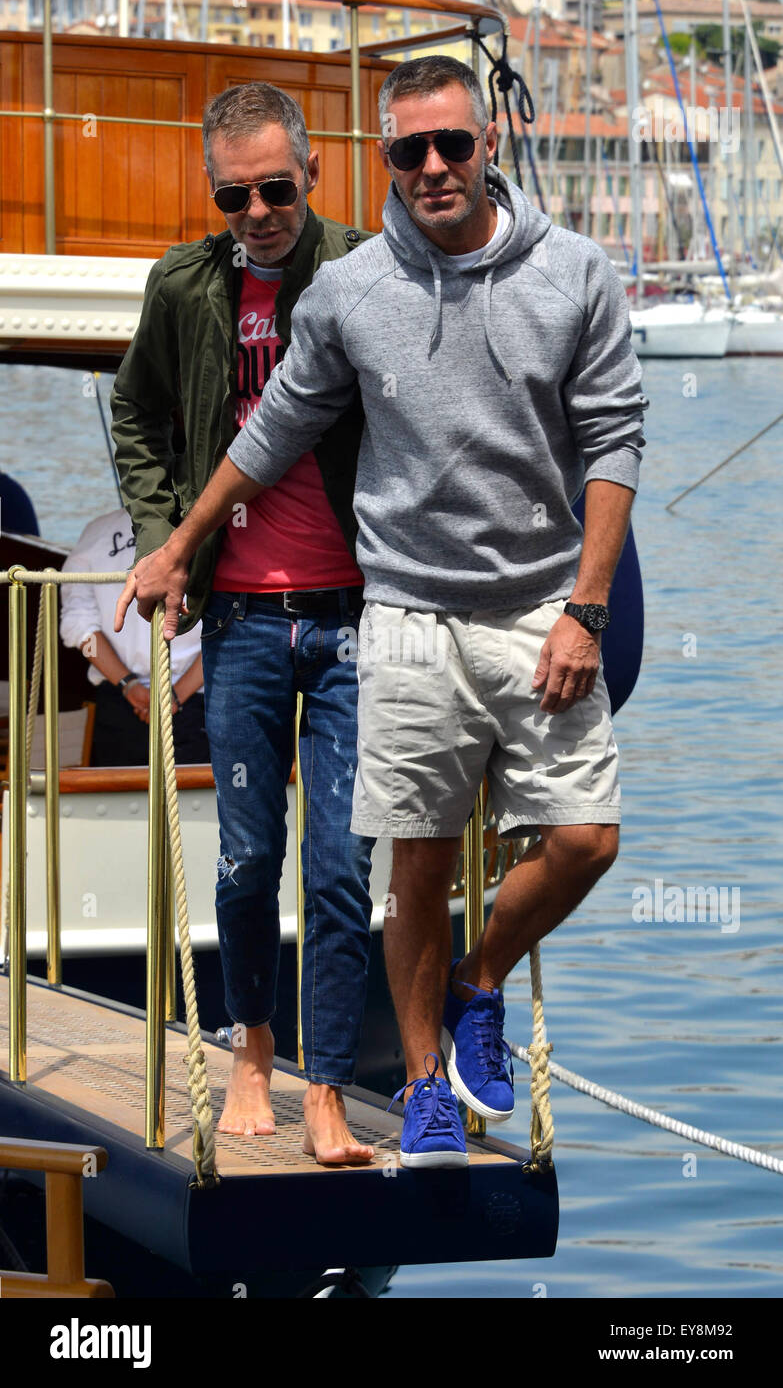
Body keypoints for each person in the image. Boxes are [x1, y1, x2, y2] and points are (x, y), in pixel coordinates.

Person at [117, 56, 649, 1169]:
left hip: (496, 607)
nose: (434, 166)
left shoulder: (571, 271)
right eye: (409, 151)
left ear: (489, 139)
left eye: (451, 144)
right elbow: (258, 432)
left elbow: (613, 440)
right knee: (353, 865)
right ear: (384, 160)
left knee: (577, 841)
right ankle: (395, 1086)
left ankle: (475, 983)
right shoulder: (327, 290)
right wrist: (176, 539)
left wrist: (588, 609)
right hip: (359, 615)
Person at [110, 82, 377, 1165]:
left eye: (277, 188)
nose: (260, 211)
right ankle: (254, 1045)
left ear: (312, 174)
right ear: (214, 195)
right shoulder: (184, 287)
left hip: (358, 612)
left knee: (343, 866)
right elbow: (135, 412)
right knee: (247, 858)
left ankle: (327, 1084)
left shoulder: (369, 268)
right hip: (243, 619)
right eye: (236, 196)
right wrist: (159, 529)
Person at [60, 507, 208, 766]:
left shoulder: (97, 531)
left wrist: (128, 685)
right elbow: (230, 627)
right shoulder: (212, 529)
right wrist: (174, 697)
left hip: (123, 700)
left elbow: (80, 628)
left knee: (115, 800)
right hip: (195, 702)